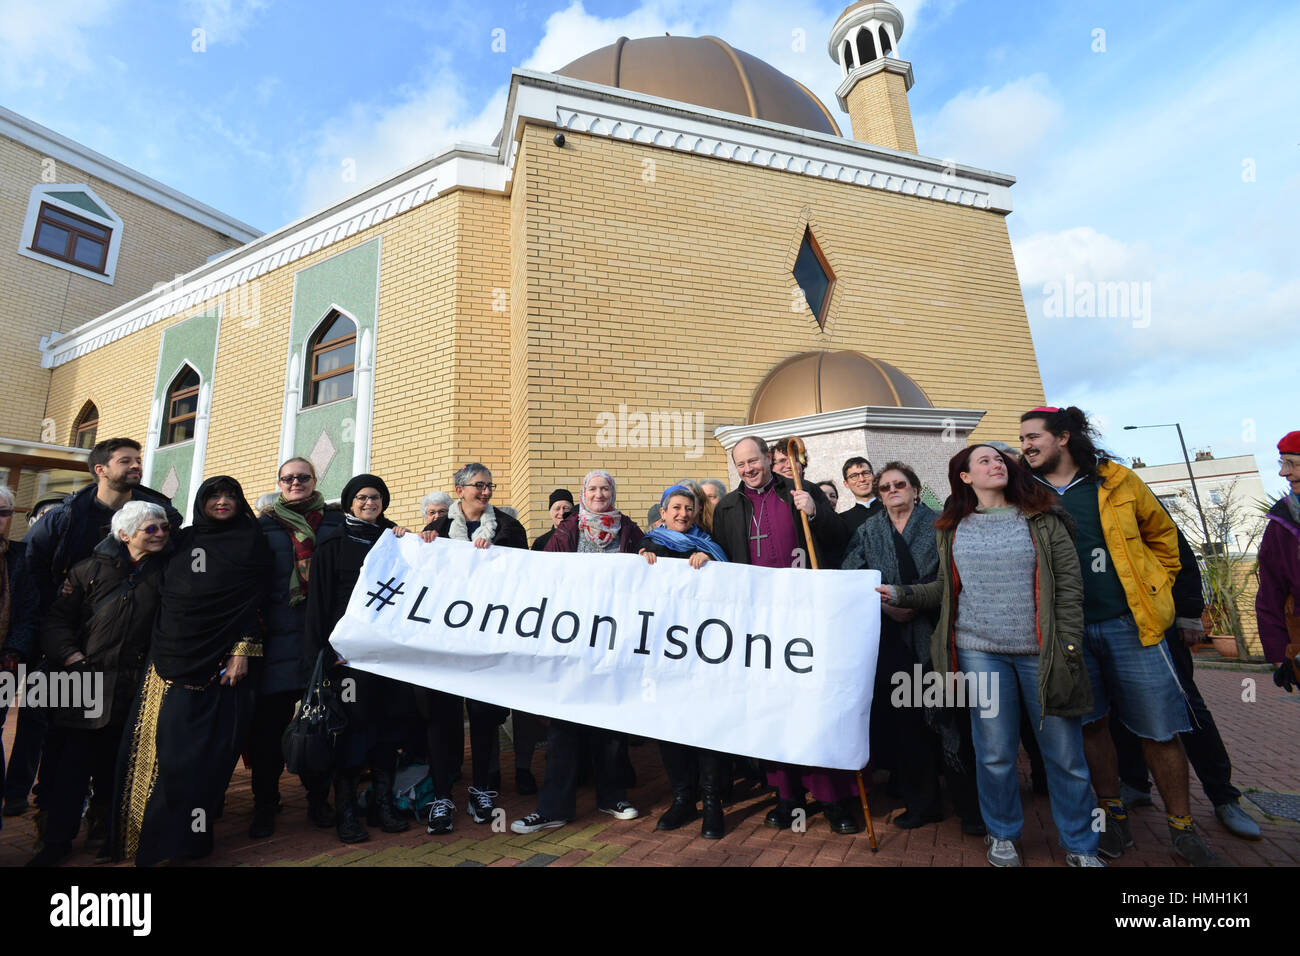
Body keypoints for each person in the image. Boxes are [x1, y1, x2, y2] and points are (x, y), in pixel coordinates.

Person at [880, 445, 1103, 867]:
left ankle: (1080, 844)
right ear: (965, 477)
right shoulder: (952, 527)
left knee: (1065, 755)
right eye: (983, 461)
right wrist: (902, 593)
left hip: (1042, 652)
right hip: (979, 651)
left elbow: (1071, 590)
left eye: (1000, 459)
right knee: (995, 752)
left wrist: (1068, 646)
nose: (996, 464)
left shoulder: (1043, 518)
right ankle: (1002, 834)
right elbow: (945, 589)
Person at [1020, 406, 1220, 865]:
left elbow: (1165, 540)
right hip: (1068, 631)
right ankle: (1113, 816)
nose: (1026, 445)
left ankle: (1183, 828)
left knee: (1161, 728)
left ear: (1064, 437)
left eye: (1034, 437)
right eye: (1023, 439)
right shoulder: (1026, 493)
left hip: (1133, 626)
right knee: (1091, 726)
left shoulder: (1117, 480)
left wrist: (1161, 592)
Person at [22, 438, 182, 841]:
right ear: (100, 469)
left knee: (116, 749)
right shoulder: (66, 516)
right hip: (71, 657)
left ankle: (103, 821)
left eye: (138, 460)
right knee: (59, 744)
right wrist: (62, 651)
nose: (136, 466)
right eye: (125, 461)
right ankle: (52, 822)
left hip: (127, 667)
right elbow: (33, 574)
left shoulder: (160, 515)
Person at [112, 476, 271, 865]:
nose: (221, 502)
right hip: (168, 659)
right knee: (164, 753)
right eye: (213, 496)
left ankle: (190, 840)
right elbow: (140, 557)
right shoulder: (182, 539)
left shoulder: (252, 541)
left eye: (229, 496)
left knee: (207, 758)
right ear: (201, 502)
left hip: (222, 666)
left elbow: (259, 602)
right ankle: (145, 841)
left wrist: (242, 651)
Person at [712, 437, 857, 834]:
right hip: (761, 624)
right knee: (772, 709)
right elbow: (722, 561)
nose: (747, 469)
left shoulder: (800, 490)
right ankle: (786, 794)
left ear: (767, 459)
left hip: (807, 617)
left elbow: (840, 540)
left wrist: (816, 514)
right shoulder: (727, 507)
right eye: (740, 464)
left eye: (753, 461)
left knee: (815, 705)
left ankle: (832, 799)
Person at [842, 463, 983, 835]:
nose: (891, 490)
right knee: (908, 727)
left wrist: (914, 600)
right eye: (884, 486)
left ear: (916, 489)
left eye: (899, 484)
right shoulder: (868, 531)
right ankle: (923, 804)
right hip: (894, 639)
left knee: (951, 721)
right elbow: (852, 580)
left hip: (938, 635)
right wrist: (885, 606)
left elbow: (957, 575)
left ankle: (971, 808)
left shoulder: (941, 524)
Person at [511, 470, 643, 833]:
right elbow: (544, 580)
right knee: (563, 728)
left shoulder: (630, 532)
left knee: (610, 725)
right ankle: (555, 807)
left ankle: (612, 796)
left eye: (605, 489)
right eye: (593, 489)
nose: (599, 494)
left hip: (613, 641)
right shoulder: (567, 531)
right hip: (571, 640)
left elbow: (649, 574)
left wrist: (649, 555)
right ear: (584, 494)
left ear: (613, 494)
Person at [1112, 524, 1261, 840]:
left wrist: (1189, 611)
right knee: (1117, 705)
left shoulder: (1125, 487)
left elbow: (1173, 547)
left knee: (1186, 705)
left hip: (1156, 619)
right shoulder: (1060, 493)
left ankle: (1223, 795)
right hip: (1107, 623)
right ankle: (1135, 783)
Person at [304, 474, 423, 844]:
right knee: (353, 735)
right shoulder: (333, 546)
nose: (369, 503)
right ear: (349, 502)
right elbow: (318, 607)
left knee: (388, 733)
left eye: (375, 497)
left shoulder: (399, 544)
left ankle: (382, 805)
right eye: (361, 497)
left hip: (389, 658)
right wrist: (321, 657)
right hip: (348, 661)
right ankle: (347, 812)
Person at [419, 464, 524, 834]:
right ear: (459, 489)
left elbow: (523, 579)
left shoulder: (509, 529)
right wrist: (410, 541)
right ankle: (442, 794)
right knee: (442, 717)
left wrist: (494, 555)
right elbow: (418, 572)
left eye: (489, 486)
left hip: (487, 638)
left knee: (483, 716)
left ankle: (482, 789)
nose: (485, 492)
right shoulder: (438, 530)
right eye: (478, 486)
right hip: (445, 641)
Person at [248, 457, 345, 839]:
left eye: (302, 477)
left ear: (314, 479)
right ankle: (265, 803)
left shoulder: (336, 521)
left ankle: (318, 799)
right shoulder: (263, 525)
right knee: (267, 732)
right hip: (275, 641)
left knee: (318, 724)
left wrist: (406, 532)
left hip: (321, 641)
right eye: (287, 478)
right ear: (279, 483)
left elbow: (378, 540)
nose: (295, 483)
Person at [638, 483, 729, 838]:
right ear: (663, 512)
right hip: (663, 651)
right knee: (670, 725)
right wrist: (641, 565)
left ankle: (712, 803)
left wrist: (712, 565)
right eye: (675, 508)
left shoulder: (709, 546)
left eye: (688, 509)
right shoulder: (646, 546)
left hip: (704, 650)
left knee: (705, 724)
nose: (682, 514)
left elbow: (730, 584)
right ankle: (682, 799)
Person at [0, 486, 39, 830]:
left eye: (3, 512)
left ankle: (10, 797)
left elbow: (28, 611)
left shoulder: (20, 556)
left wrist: (14, 651)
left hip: (4, 660)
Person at [1258, 431, 1300, 692]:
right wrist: (1279, 655)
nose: (1284, 473)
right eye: (1282, 464)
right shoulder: (1282, 524)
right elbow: (1270, 594)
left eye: (1292, 464)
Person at [840, 456, 881, 536]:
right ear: (846, 484)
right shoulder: (843, 520)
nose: (861, 479)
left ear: (874, 477)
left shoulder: (892, 510)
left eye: (865, 473)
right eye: (854, 476)